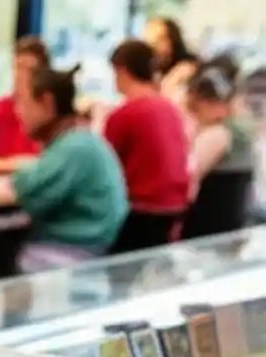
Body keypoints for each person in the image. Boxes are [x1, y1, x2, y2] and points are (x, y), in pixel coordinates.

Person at [0, 65, 127, 270]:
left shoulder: (75, 147)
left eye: (22, 102)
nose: (17, 112)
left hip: (70, 255)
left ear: (47, 103)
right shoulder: (80, 141)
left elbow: (29, 188)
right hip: (90, 249)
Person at [105, 40, 191, 253]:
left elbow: (106, 169)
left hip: (139, 213)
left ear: (121, 70)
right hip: (174, 212)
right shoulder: (170, 109)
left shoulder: (124, 115)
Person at [184, 62, 257, 238]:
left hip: (207, 232)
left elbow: (187, 177)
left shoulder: (217, 134)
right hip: (231, 229)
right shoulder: (242, 131)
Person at [0, 36, 48, 167]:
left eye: (29, 69)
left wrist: (0, 165)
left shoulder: (49, 115)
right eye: (18, 67)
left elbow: (46, 165)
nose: (21, 74)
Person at [144, 17, 200, 105]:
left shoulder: (187, 69)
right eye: (150, 39)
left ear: (173, 40)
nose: (153, 45)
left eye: (160, 39)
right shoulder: (152, 73)